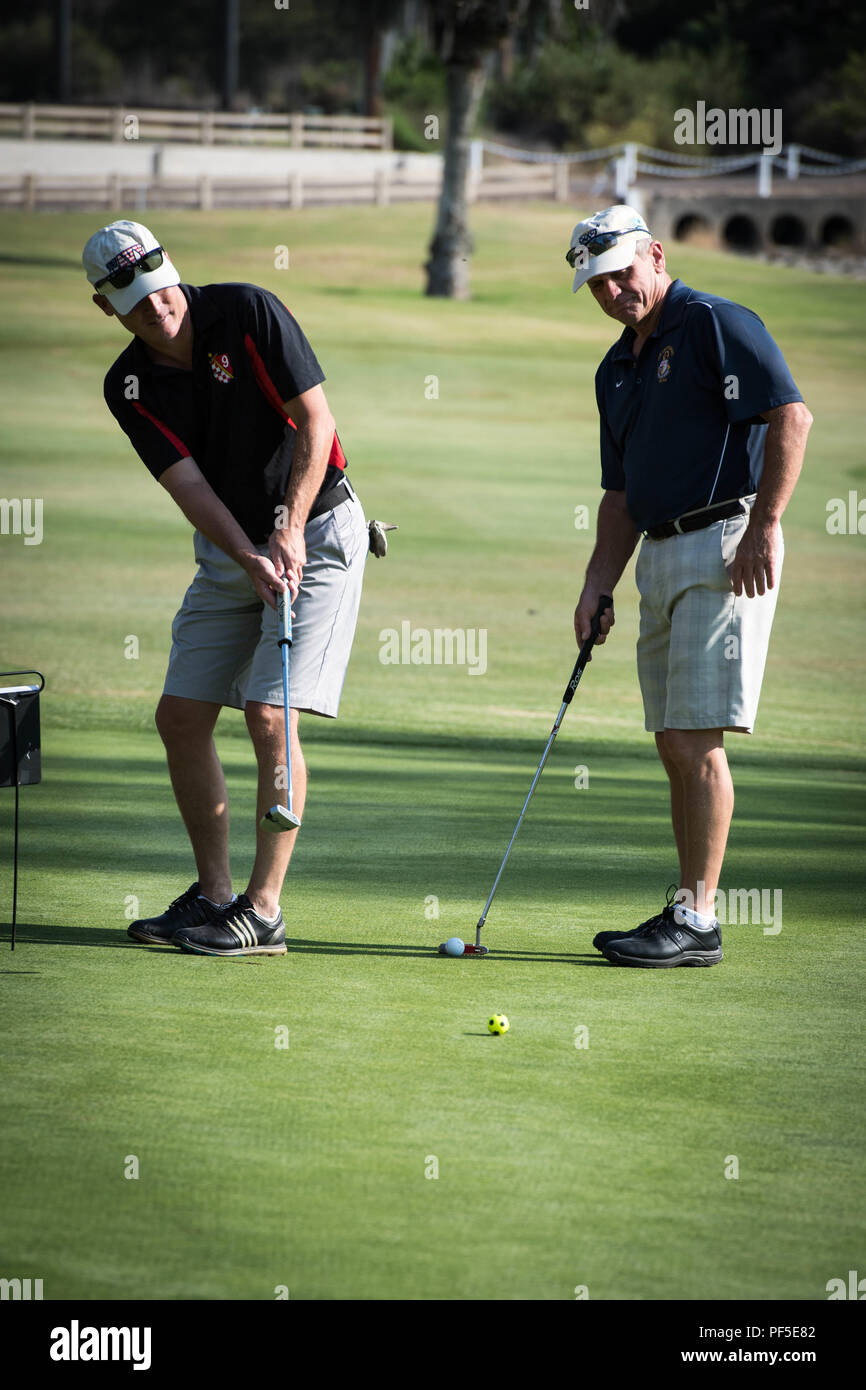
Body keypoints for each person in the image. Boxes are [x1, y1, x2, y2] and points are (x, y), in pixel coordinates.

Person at [83, 219, 368, 957]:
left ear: (172, 267)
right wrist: (245, 554)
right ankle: (213, 895)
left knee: (268, 714)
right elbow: (189, 485)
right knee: (181, 716)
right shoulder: (129, 385)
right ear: (106, 307)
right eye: (136, 301)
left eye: (161, 286)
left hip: (321, 534)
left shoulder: (246, 312)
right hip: (231, 550)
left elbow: (315, 419)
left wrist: (290, 529)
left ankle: (263, 911)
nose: (158, 306)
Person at [568, 205, 812, 968]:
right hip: (659, 554)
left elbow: (789, 416)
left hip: (726, 542)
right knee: (673, 741)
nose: (612, 293)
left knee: (694, 739)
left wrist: (766, 524)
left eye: (620, 275)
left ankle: (699, 919)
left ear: (656, 255)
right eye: (597, 285)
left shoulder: (713, 322)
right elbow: (619, 495)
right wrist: (596, 584)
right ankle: (686, 906)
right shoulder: (614, 369)